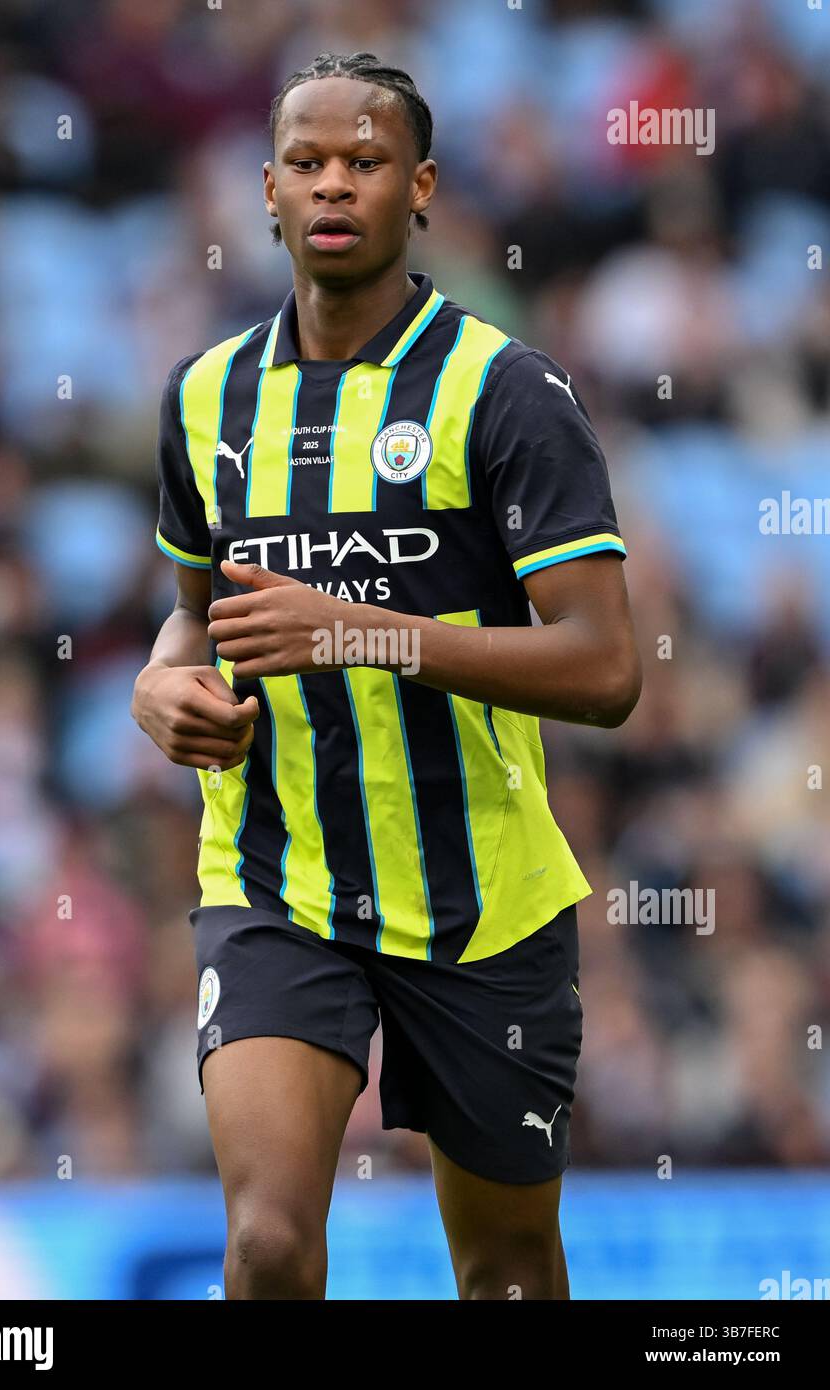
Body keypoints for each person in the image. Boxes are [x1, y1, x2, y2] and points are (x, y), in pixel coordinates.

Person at [131, 51, 641, 1300]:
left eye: (364, 162)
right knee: (263, 1241)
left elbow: (607, 667)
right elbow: (188, 620)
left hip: (483, 898)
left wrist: (357, 631)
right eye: (306, 163)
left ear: (418, 189)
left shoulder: (506, 392)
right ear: (266, 190)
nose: (332, 186)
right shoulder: (208, 397)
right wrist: (161, 688)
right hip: (276, 875)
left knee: (509, 1271)